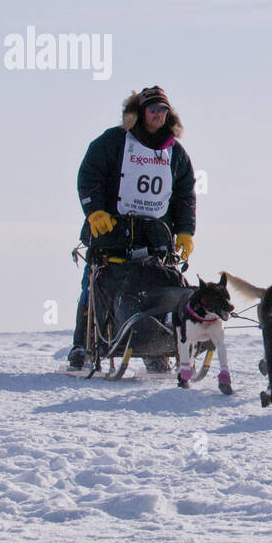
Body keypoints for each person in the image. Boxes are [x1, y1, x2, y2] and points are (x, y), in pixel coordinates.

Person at [68, 86, 197, 369]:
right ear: (140, 112)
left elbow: (184, 192)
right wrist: (95, 211)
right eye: (153, 110)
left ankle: (155, 350)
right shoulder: (113, 141)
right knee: (97, 285)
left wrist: (186, 231)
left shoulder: (174, 153)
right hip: (111, 232)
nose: (158, 115)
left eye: (163, 110)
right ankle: (83, 346)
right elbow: (90, 175)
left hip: (155, 236)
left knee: (158, 290)